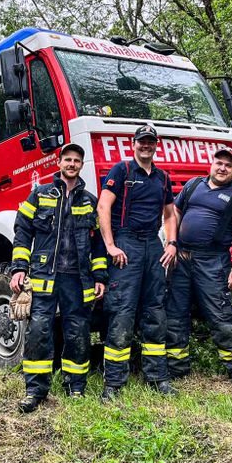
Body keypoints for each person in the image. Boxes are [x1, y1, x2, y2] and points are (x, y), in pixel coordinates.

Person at [10, 143, 108, 412]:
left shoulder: (90, 201)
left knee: (78, 332)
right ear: (59, 163)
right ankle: (35, 390)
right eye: (68, 159)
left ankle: (75, 386)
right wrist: (19, 268)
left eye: (77, 160)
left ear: (81, 165)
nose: (72, 164)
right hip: (44, 277)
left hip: (77, 280)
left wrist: (99, 275)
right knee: (39, 331)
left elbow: (99, 243)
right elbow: (22, 233)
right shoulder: (39, 195)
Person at [96, 123, 178, 401]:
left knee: (155, 309)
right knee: (122, 311)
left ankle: (158, 378)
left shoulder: (162, 177)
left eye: (150, 142)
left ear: (156, 145)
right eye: (142, 141)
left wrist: (171, 242)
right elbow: (103, 206)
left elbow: (169, 215)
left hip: (152, 245)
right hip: (126, 244)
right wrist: (110, 245)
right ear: (134, 144)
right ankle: (114, 383)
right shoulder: (122, 170)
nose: (146, 146)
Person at [165, 147, 232, 385]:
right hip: (182, 259)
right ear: (211, 164)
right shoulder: (193, 185)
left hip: (213, 262)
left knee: (219, 314)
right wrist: (172, 243)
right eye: (219, 163)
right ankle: (177, 367)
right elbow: (174, 211)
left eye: (228, 165)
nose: (222, 168)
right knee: (176, 313)